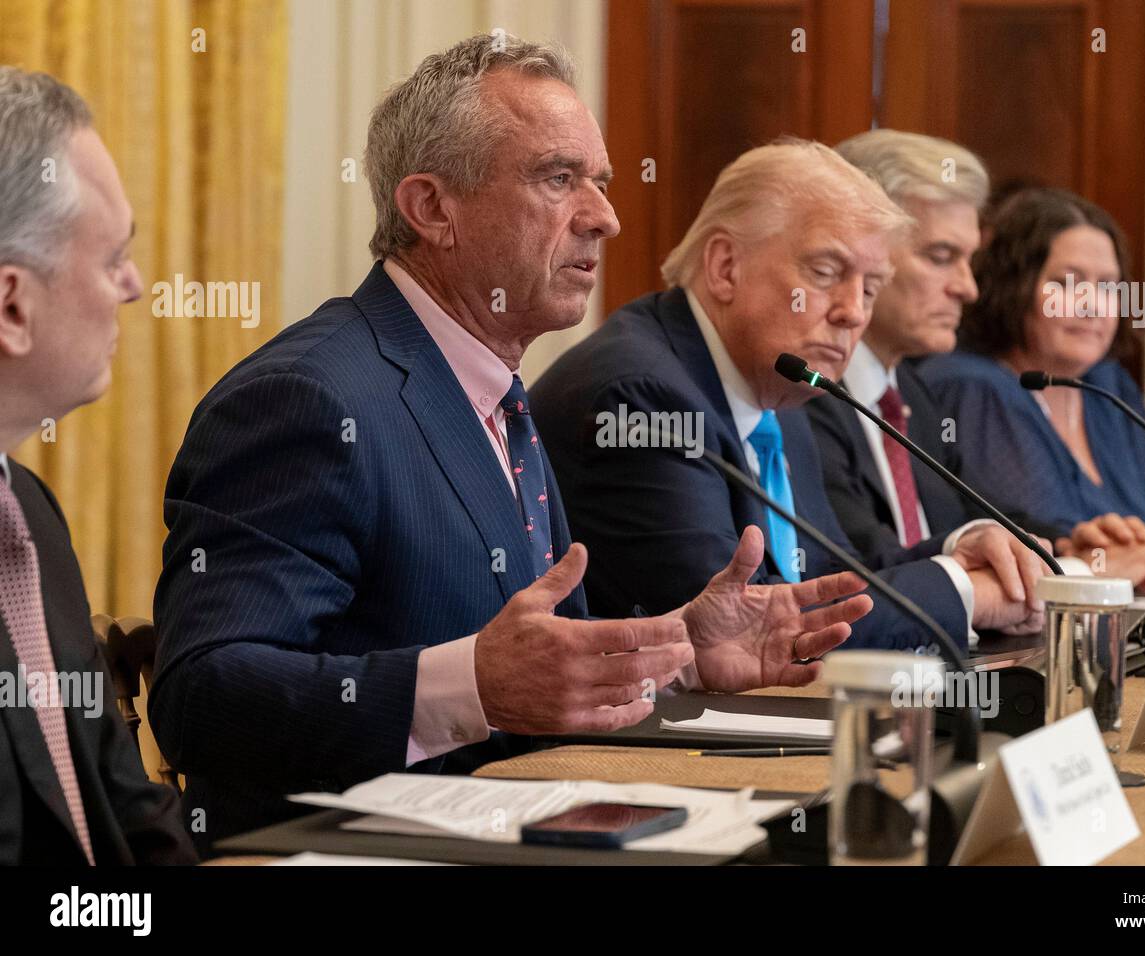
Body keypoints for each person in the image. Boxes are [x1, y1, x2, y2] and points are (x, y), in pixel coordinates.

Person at [150, 36, 869, 854]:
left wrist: (677, 653)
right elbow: (199, 698)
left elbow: (543, 673)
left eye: (597, 181)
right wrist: (469, 687)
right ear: (432, 208)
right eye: (558, 179)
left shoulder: (496, 391)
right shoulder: (309, 399)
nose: (606, 214)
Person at [531, 139, 1048, 654]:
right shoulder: (642, 398)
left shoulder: (780, 390)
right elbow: (744, 631)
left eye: (869, 288)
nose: (852, 313)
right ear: (725, 267)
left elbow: (830, 577)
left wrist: (961, 552)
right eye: (825, 274)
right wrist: (962, 590)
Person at [808, 131, 1145, 597]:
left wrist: (1061, 544)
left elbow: (971, 516)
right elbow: (865, 578)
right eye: (941, 257)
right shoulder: (809, 392)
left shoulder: (907, 393)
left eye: (970, 260)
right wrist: (1079, 576)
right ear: (859, 253)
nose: (969, 288)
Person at [0, 67, 195, 864]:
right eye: (113, 257)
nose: (135, 287)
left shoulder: (28, 510)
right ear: (12, 306)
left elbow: (127, 802)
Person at [920, 186, 1145, 582]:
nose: (1092, 303)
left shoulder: (1107, 384)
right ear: (1014, 287)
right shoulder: (974, 388)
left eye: (1107, 286)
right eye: (1067, 283)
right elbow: (1081, 556)